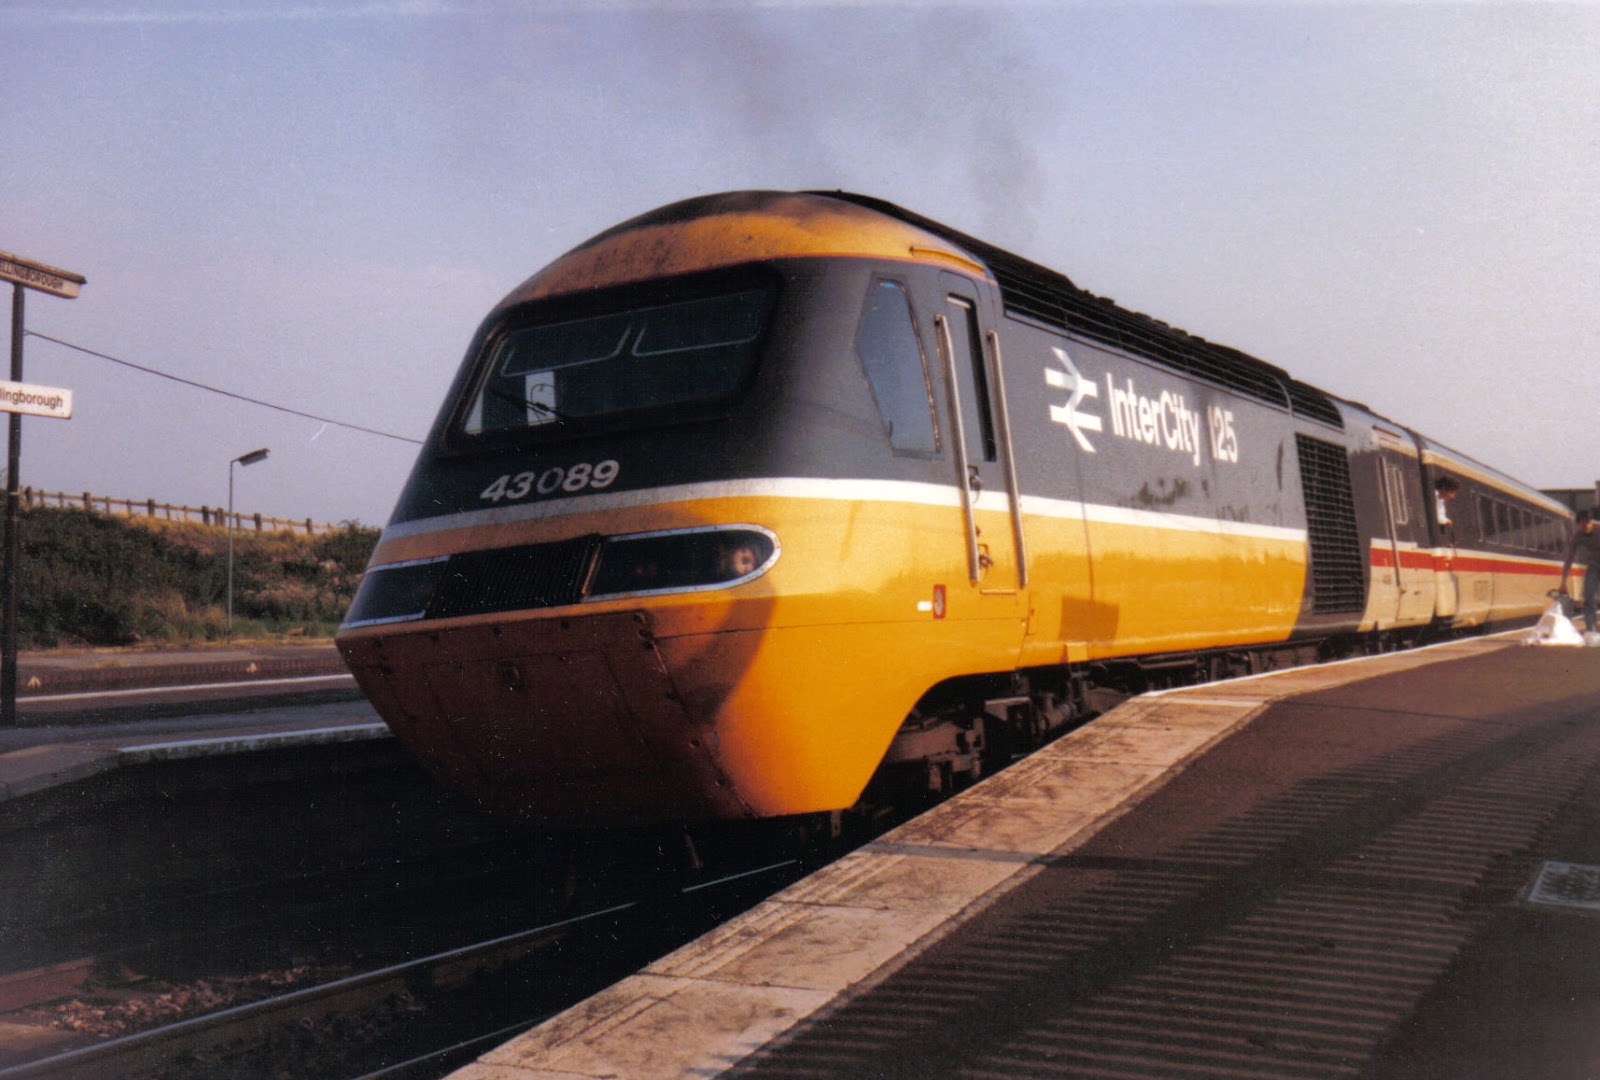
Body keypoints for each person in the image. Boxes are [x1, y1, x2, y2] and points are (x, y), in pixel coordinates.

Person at [1559, 509, 1600, 633]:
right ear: (1578, 524)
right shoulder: (1577, 536)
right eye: (1582, 524)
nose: (1585, 526)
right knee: (1588, 595)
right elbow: (1569, 558)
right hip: (1594, 565)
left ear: (1591, 522)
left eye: (1587, 523)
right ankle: (1591, 628)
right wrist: (1563, 581)